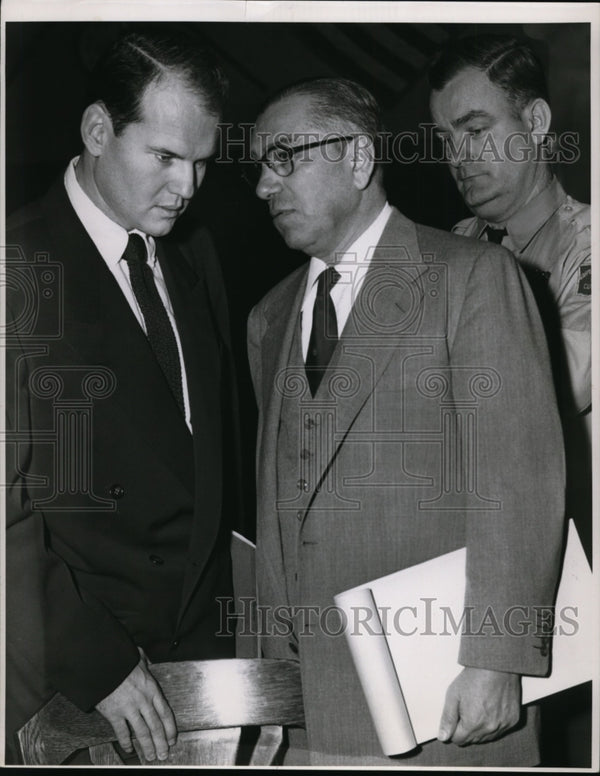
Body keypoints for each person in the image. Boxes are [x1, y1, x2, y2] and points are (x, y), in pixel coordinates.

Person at [246, 77, 565, 766]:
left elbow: (516, 478)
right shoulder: (267, 319)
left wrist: (497, 659)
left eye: (284, 158)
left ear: (358, 159)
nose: (264, 187)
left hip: (446, 705)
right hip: (309, 716)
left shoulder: (472, 277)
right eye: (258, 167)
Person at [5, 30, 238, 764]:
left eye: (201, 163)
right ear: (98, 130)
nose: (187, 187)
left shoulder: (194, 253)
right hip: (73, 680)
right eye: (165, 157)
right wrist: (95, 659)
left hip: (199, 663)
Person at [428, 33, 591, 558]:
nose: (459, 157)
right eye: (446, 140)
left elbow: (559, 384)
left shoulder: (587, 243)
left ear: (536, 124)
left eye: (475, 130)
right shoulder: (454, 245)